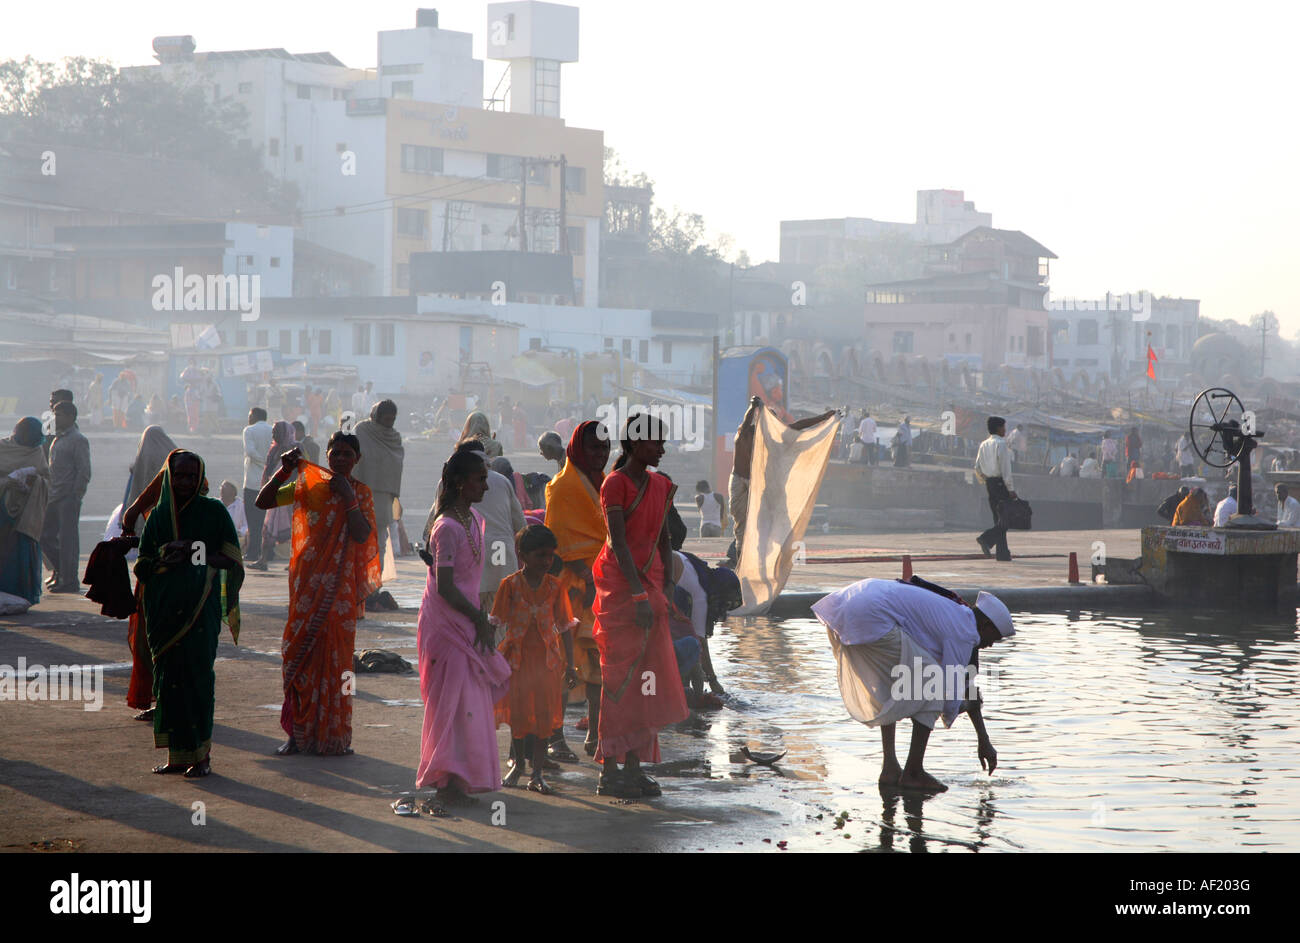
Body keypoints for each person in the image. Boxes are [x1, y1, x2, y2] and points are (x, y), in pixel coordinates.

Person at [813, 577, 1014, 792]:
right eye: (995, 637)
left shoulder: (957, 615)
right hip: (869, 615)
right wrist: (959, 708)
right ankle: (914, 772)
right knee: (934, 683)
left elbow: (966, 685)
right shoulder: (965, 633)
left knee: (895, 679)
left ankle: (890, 767)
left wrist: (983, 739)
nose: (992, 645)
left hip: (847, 604)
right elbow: (952, 693)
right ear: (985, 625)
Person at [257, 434, 379, 755]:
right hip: (306, 586)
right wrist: (283, 471)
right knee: (296, 658)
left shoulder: (361, 493)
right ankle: (297, 735)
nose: (340, 459)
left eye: (347, 454)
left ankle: (336, 736)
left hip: (339, 594)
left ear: (357, 459)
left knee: (340, 666)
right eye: (335, 453)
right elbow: (263, 502)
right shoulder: (309, 485)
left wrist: (349, 498)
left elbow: (362, 533)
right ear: (326, 455)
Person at [591, 413, 690, 799]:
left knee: (646, 683)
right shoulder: (614, 485)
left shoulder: (661, 485)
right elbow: (617, 543)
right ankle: (610, 769)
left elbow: (664, 540)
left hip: (651, 592)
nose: (662, 449)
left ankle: (634, 767)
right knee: (619, 682)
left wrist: (662, 589)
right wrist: (637, 595)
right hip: (622, 592)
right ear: (633, 444)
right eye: (655, 442)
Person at [134, 450, 243, 777]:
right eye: (179, 476)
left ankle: (202, 757)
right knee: (169, 683)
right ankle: (177, 756)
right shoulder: (158, 516)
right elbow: (142, 563)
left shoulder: (214, 512)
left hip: (199, 610)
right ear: (169, 476)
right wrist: (163, 557)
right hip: (163, 611)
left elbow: (231, 559)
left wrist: (193, 551)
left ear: (200, 479)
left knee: (197, 680)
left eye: (191, 477)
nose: (184, 482)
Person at [415, 449, 511, 811]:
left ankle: (461, 778)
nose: (486, 486)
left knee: (469, 700)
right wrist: (478, 617)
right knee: (449, 703)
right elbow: (446, 587)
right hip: (447, 623)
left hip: (468, 620)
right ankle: (444, 780)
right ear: (460, 483)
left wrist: (478, 618)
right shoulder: (446, 527)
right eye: (480, 479)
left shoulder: (473, 520)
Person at [491, 525, 578, 794]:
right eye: (540, 556)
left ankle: (537, 773)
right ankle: (518, 765)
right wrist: (485, 660)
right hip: (515, 661)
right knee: (518, 716)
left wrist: (571, 664)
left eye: (550, 556)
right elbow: (494, 624)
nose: (546, 562)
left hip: (547, 663)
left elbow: (565, 627)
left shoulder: (556, 586)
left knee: (543, 717)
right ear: (523, 555)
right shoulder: (510, 585)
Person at [545, 420, 612, 757]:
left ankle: (595, 733)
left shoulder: (605, 484)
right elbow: (556, 539)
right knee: (564, 664)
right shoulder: (562, 486)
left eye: (604, 448)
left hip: (602, 585)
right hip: (573, 586)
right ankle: (555, 737)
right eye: (593, 448)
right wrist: (586, 577)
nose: (600, 455)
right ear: (578, 449)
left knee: (598, 664)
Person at [729, 397, 838, 565]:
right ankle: (740, 558)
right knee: (740, 522)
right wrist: (753, 407)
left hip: (757, 482)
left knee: (763, 521)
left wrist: (824, 417)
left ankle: (762, 555)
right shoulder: (745, 433)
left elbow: (798, 426)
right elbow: (745, 423)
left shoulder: (772, 437)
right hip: (738, 480)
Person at [41, 402, 91, 593]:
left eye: (59, 415)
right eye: (54, 414)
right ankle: (61, 572)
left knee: (67, 541)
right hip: (54, 496)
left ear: (71, 417)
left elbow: (84, 470)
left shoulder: (78, 440)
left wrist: (76, 494)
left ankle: (69, 580)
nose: (55, 419)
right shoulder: (58, 439)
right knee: (45, 536)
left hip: (68, 497)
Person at [0, 417, 50, 605]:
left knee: (21, 550)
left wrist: (33, 481)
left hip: (26, 511)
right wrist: (9, 481)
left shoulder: (36, 452)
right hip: (2, 511)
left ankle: (22, 593)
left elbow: (46, 478)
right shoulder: (3, 448)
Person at [352, 400, 404, 578]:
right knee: (359, 543)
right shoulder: (361, 432)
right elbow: (354, 462)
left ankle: (374, 586)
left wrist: (396, 498)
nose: (389, 424)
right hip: (361, 495)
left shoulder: (395, 438)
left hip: (384, 500)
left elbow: (396, 468)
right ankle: (359, 584)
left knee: (380, 544)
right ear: (376, 417)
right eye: (386, 419)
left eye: (392, 420)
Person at [249, 421, 296, 569]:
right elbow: (268, 472)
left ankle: (293, 562)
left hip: (289, 494)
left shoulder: (295, 449)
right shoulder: (274, 450)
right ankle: (263, 560)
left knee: (293, 530)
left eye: (277, 432)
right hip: (274, 494)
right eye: (273, 432)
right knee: (268, 527)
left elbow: (298, 471)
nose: (274, 434)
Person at [974, 416, 1016, 562]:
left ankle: (1002, 553)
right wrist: (1010, 489)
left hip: (990, 484)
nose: (1005, 430)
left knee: (998, 519)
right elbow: (1006, 469)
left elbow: (977, 467)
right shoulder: (1001, 444)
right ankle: (986, 539)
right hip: (1000, 483)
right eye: (1004, 427)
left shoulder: (984, 444)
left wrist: (985, 480)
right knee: (1005, 519)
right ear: (998, 428)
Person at [220, 480, 249, 545]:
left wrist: (239, 532)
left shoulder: (242, 505)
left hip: (236, 540)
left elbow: (247, 525)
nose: (222, 492)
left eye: (225, 489)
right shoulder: (216, 504)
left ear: (233, 492)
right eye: (222, 489)